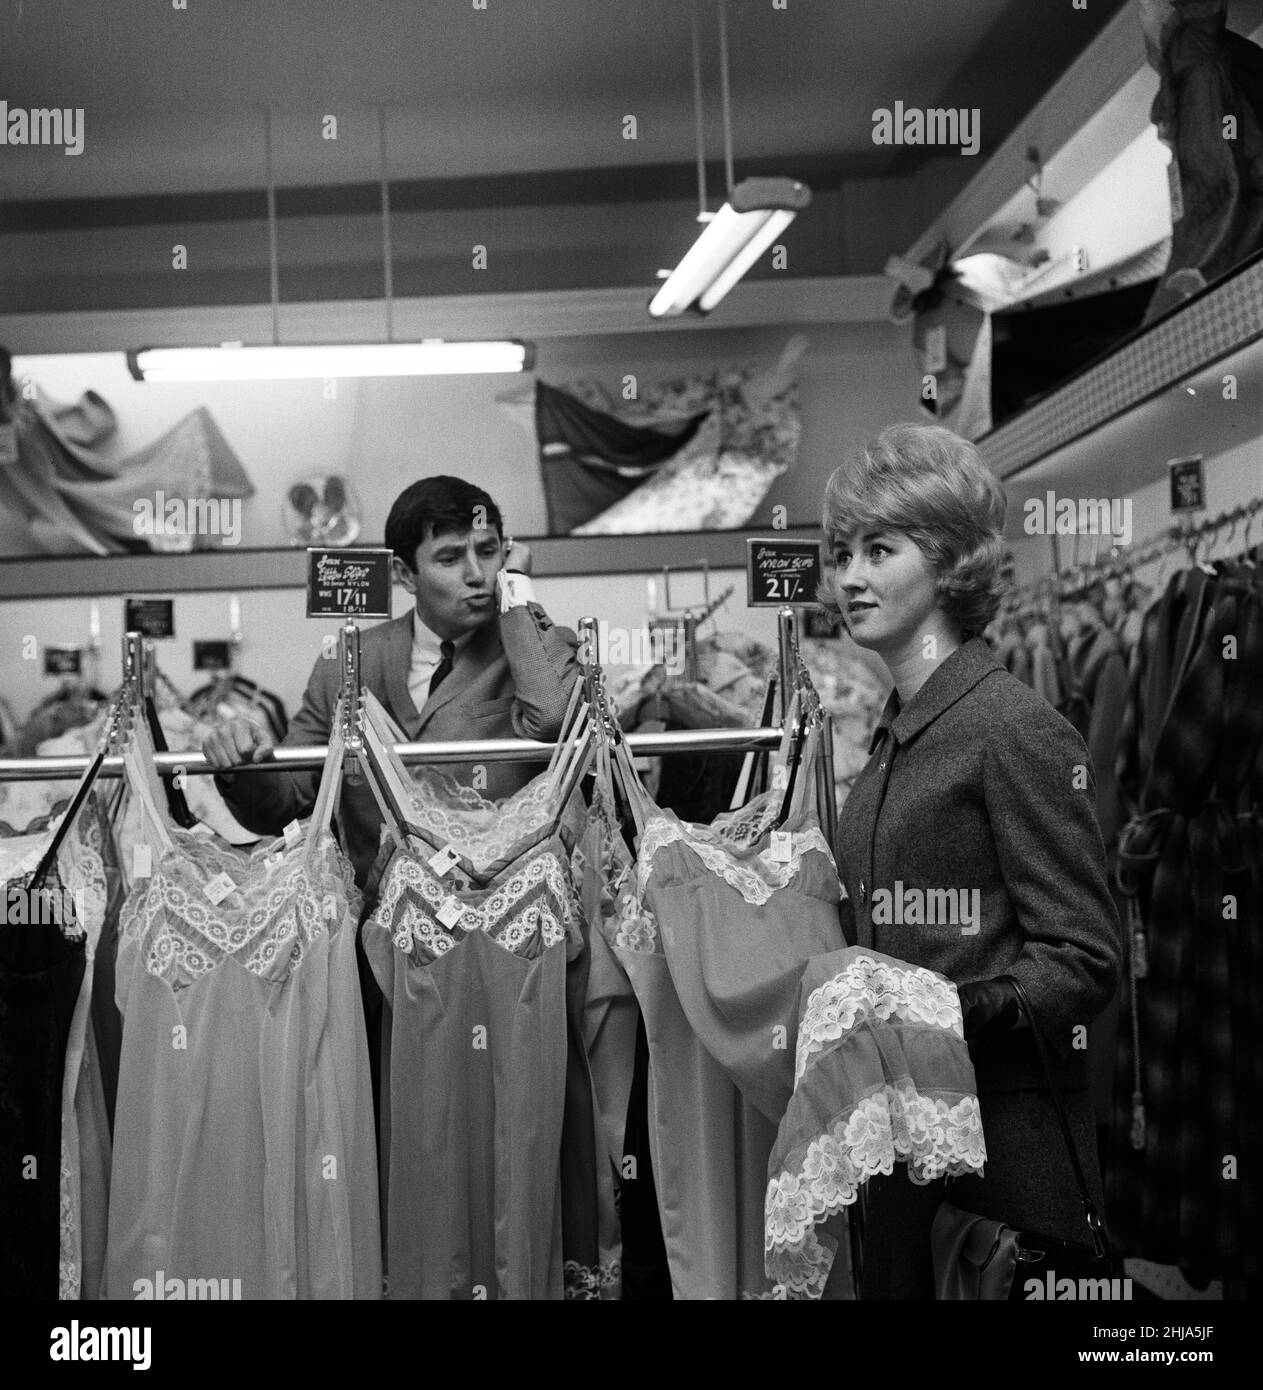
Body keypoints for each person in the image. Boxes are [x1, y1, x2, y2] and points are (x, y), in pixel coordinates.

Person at [821, 422, 1121, 1300]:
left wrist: (949, 1008)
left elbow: (1084, 955)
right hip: (905, 1148)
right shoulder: (893, 740)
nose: (848, 577)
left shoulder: (1011, 730)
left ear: (948, 561)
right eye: (841, 551)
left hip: (1002, 1159)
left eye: (879, 549)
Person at [203, 475, 581, 890]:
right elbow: (287, 803)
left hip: (507, 925)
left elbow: (552, 715)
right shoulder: (347, 664)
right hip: (378, 930)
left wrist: (517, 590)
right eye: (450, 558)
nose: (477, 574)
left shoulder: (536, 648)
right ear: (404, 574)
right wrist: (243, 764)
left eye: (489, 552)